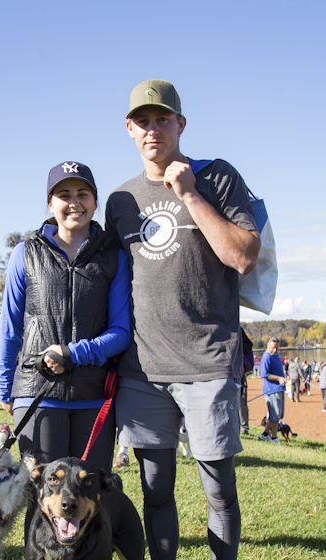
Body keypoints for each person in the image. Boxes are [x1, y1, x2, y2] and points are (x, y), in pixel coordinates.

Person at [105, 79, 260, 560]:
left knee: (219, 491)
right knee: (156, 490)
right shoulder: (120, 200)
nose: (153, 129)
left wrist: (190, 195)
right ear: (129, 129)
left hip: (209, 361)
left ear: (181, 124)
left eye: (163, 119)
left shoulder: (217, 177)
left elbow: (243, 257)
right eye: (143, 121)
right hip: (143, 371)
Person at [0, 161, 131, 472]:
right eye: (64, 194)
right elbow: (11, 327)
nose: (74, 203)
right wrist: (5, 387)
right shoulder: (24, 253)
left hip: (94, 397)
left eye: (83, 194)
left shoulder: (114, 257)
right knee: (41, 501)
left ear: (96, 202)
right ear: (50, 203)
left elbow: (121, 331)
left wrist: (72, 353)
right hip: (36, 394)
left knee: (91, 502)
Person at [260, 338, 286, 443]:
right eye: (273, 347)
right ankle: (274, 437)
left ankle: (265, 434)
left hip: (279, 389)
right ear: (268, 345)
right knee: (275, 414)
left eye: (277, 348)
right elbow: (264, 374)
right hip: (271, 390)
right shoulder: (266, 357)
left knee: (278, 414)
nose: (275, 350)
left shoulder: (276, 355)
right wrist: (279, 378)